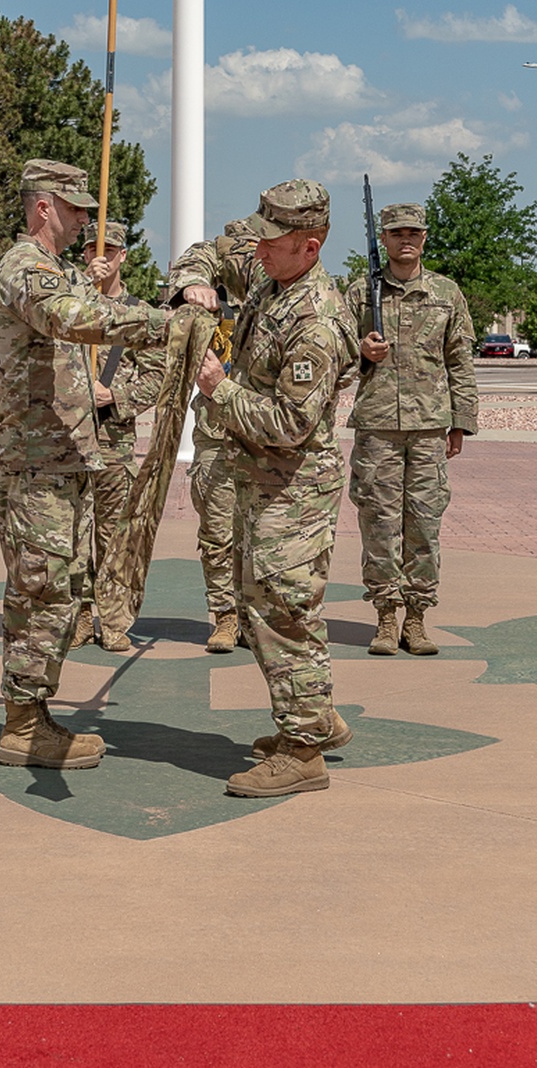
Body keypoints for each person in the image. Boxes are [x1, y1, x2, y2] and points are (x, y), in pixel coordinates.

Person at [0, 160, 168, 770]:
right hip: (36, 462)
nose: (86, 221)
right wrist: (165, 324)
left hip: (63, 458)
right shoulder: (24, 269)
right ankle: (23, 725)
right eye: (77, 210)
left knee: (60, 591)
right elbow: (75, 319)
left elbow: (83, 310)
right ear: (45, 207)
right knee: (43, 593)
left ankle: (33, 712)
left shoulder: (56, 271)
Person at [195, 180, 361, 798]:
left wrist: (220, 388)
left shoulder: (316, 321)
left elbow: (292, 425)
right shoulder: (275, 281)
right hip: (261, 482)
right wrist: (194, 280)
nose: (257, 250)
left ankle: (302, 750)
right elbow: (214, 252)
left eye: (272, 241)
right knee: (264, 604)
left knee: (285, 614)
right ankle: (313, 719)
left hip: (293, 488)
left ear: (310, 246)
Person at [345, 202, 478, 656]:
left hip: (428, 428)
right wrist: (362, 352)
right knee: (379, 523)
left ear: (424, 238)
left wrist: (461, 422)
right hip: (377, 426)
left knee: (423, 523)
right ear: (383, 238)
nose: (406, 240)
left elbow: (460, 361)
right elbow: (333, 356)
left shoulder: (446, 293)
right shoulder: (361, 293)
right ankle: (385, 616)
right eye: (397, 232)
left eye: (414, 233)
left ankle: (416, 618)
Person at [167, 220, 261, 653]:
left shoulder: (279, 290)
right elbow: (190, 262)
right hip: (216, 432)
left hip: (263, 431)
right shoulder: (214, 287)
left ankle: (255, 615)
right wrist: (192, 286)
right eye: (235, 250)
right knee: (218, 532)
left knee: (262, 534)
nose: (243, 256)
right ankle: (224, 616)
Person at [72, 220, 165, 648]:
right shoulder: (68, 307)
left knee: (112, 535)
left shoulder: (137, 313)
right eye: (92, 249)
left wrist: (116, 395)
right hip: (69, 439)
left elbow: (158, 375)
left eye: (109, 250)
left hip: (113, 439)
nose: (100, 257)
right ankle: (76, 615)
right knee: (71, 533)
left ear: (123, 256)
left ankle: (112, 620)